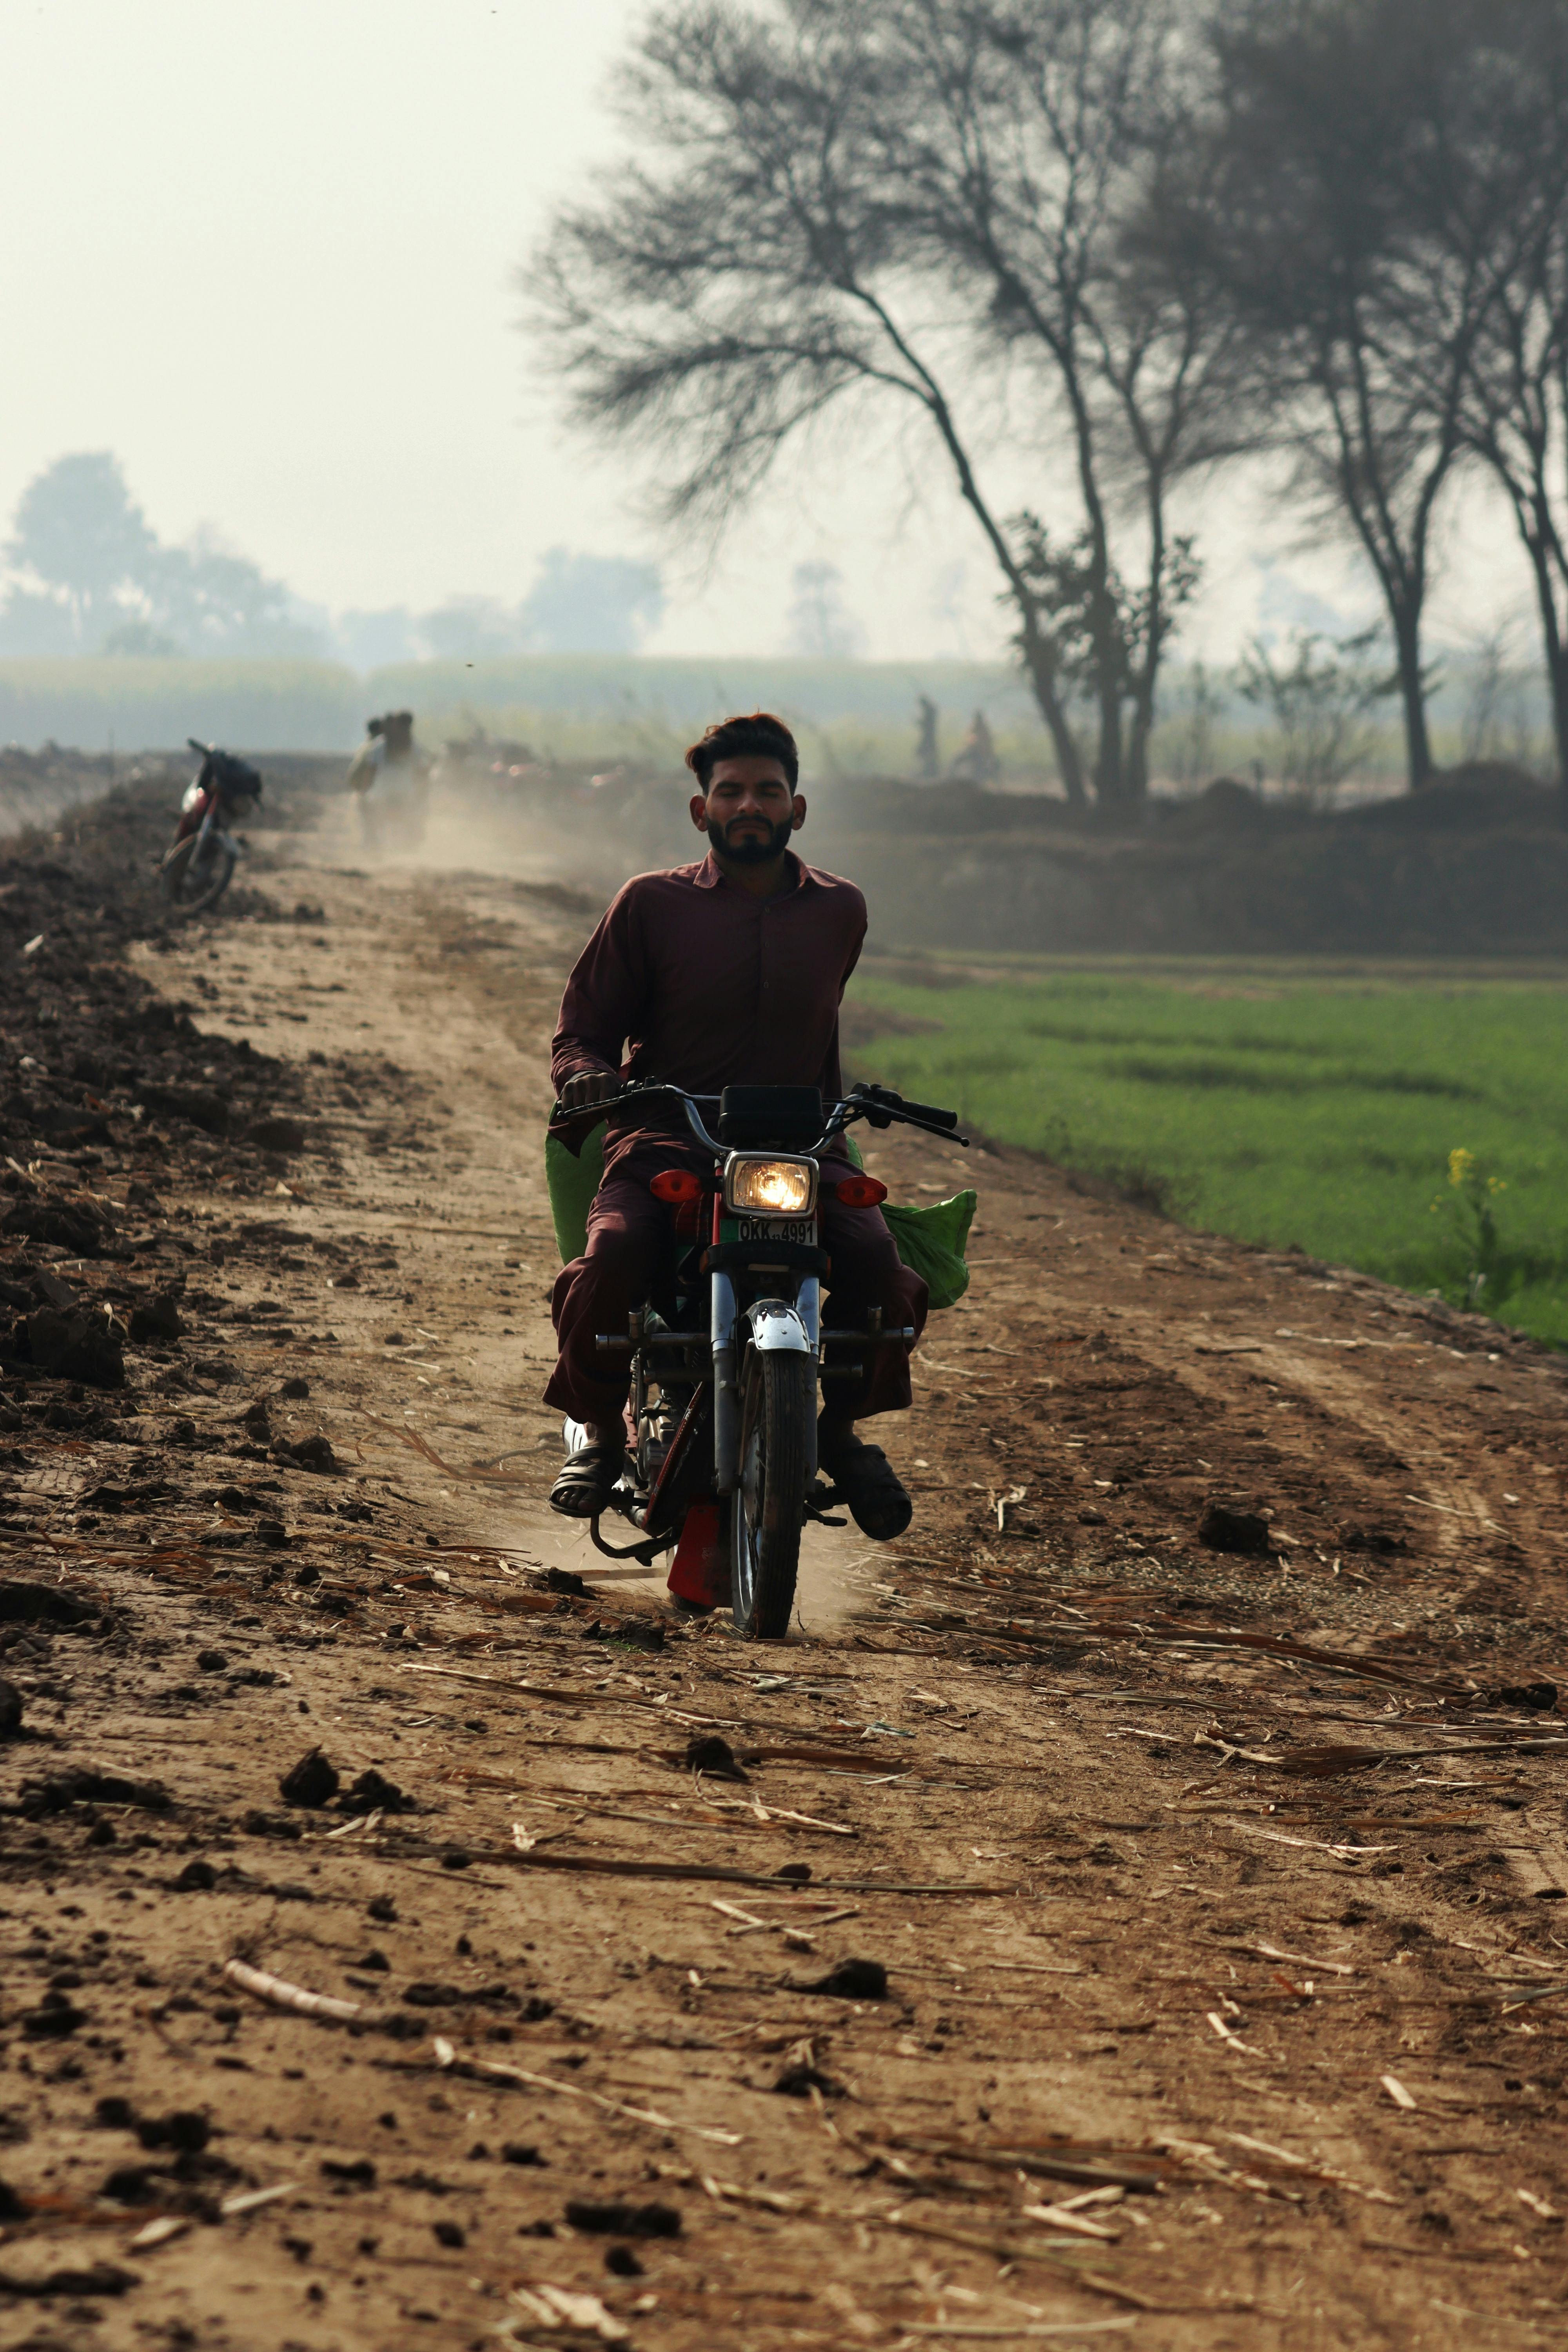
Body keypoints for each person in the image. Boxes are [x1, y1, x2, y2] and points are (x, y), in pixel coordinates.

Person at [544, 710, 926, 1540]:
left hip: (800, 1147)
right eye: (730, 792)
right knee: (610, 1260)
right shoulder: (647, 905)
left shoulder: (840, 911)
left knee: (881, 1277)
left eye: (766, 791)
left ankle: (838, 1432)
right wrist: (583, 1076)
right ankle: (602, 1434)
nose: (748, 805)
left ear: (797, 809)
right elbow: (583, 1028)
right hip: (667, 1139)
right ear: (700, 811)